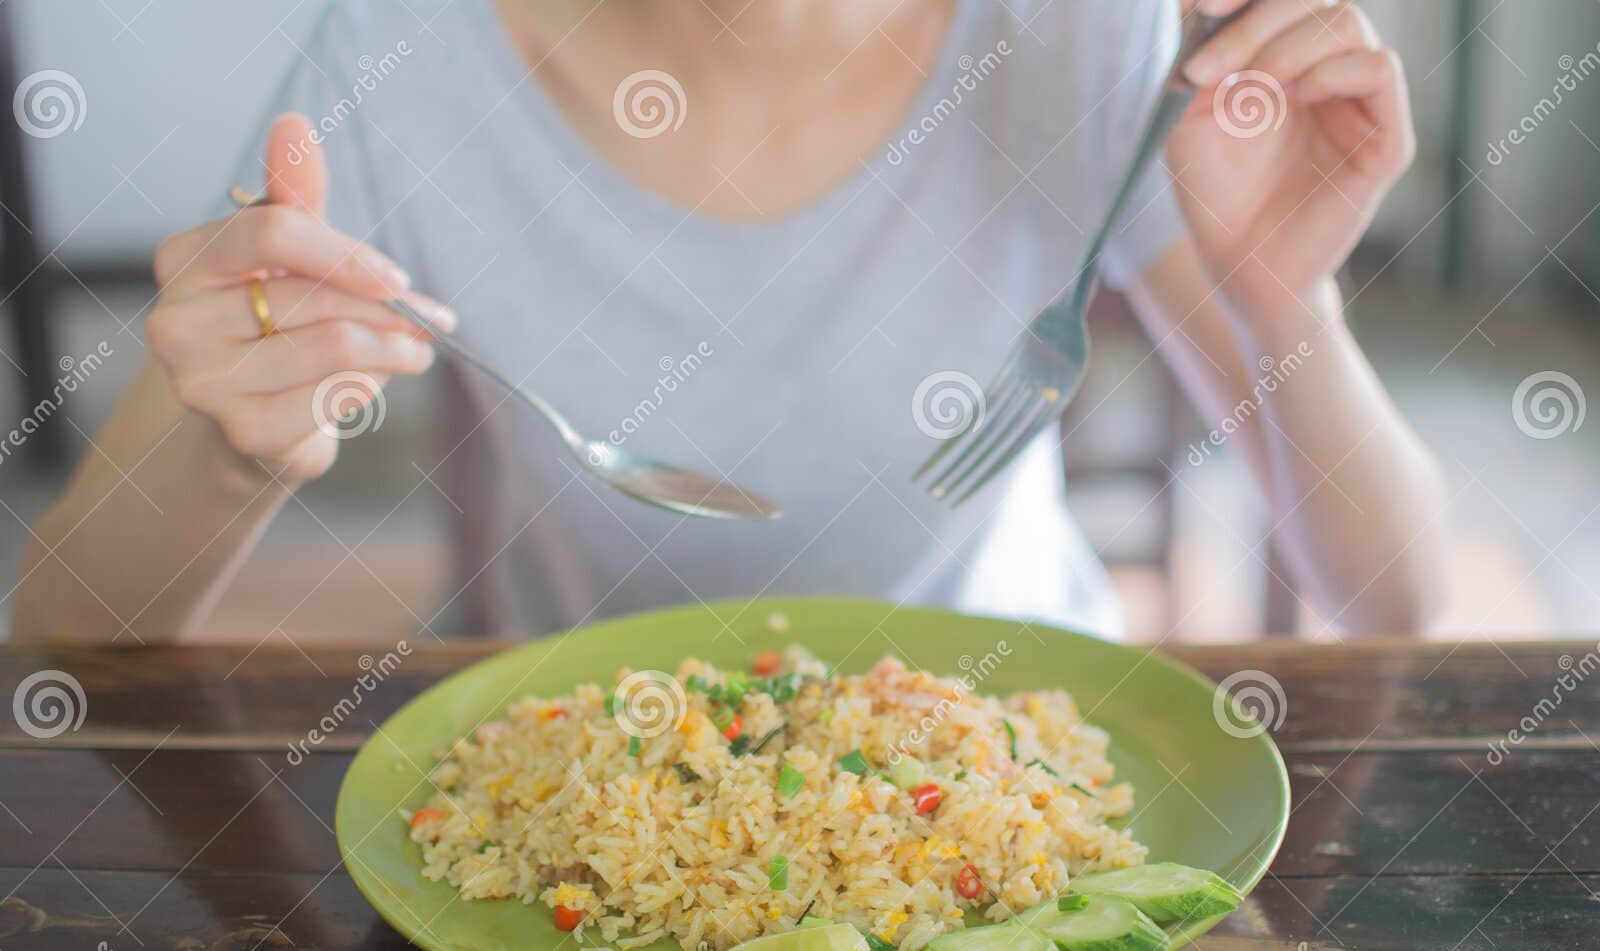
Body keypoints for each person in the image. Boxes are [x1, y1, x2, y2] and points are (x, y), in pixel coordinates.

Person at [12, 0, 1448, 643]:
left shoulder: (1089, 28)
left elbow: (1398, 599)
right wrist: (232, 444)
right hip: (604, 818)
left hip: (1023, 789)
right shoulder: (406, 55)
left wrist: (1282, 301)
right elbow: (68, 622)